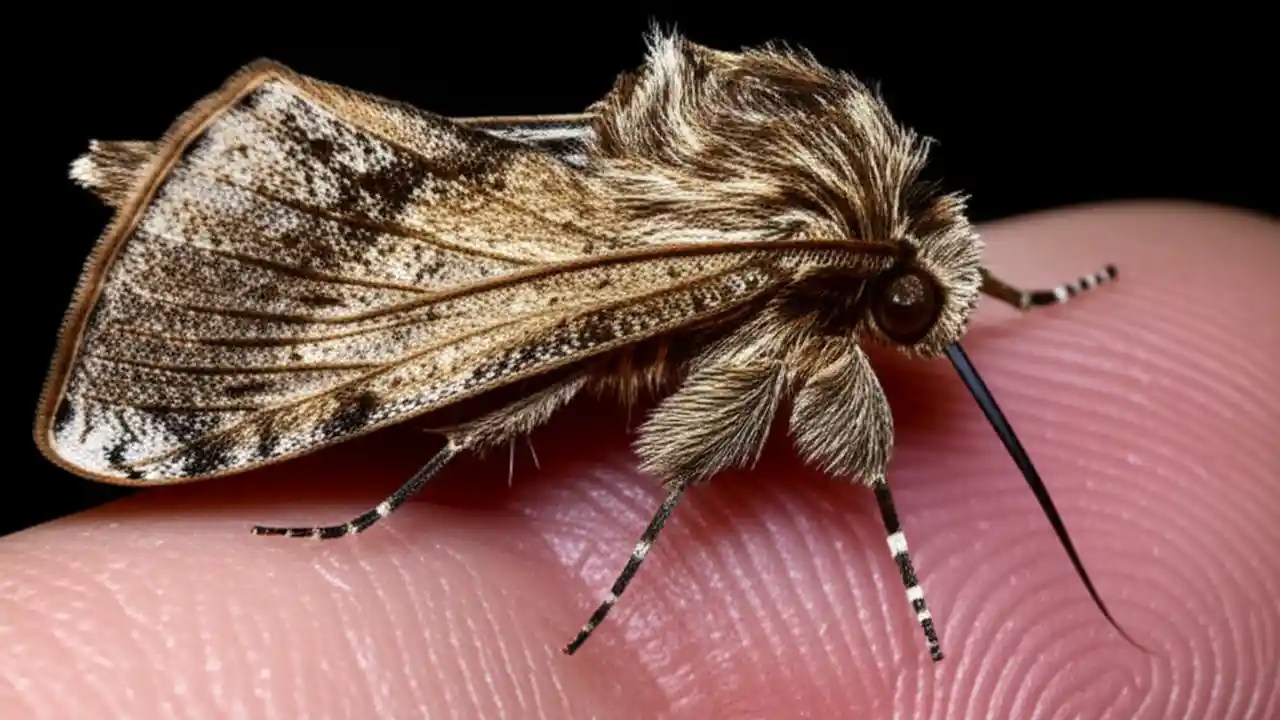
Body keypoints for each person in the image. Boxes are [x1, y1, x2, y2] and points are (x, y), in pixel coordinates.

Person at [3, 201, 1276, 718]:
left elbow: (914, 271)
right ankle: (384, 501)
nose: (927, 332)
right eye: (900, 311)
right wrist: (907, 569)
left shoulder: (852, 244)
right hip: (487, 271)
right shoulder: (776, 279)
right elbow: (715, 424)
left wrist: (1010, 295)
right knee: (536, 364)